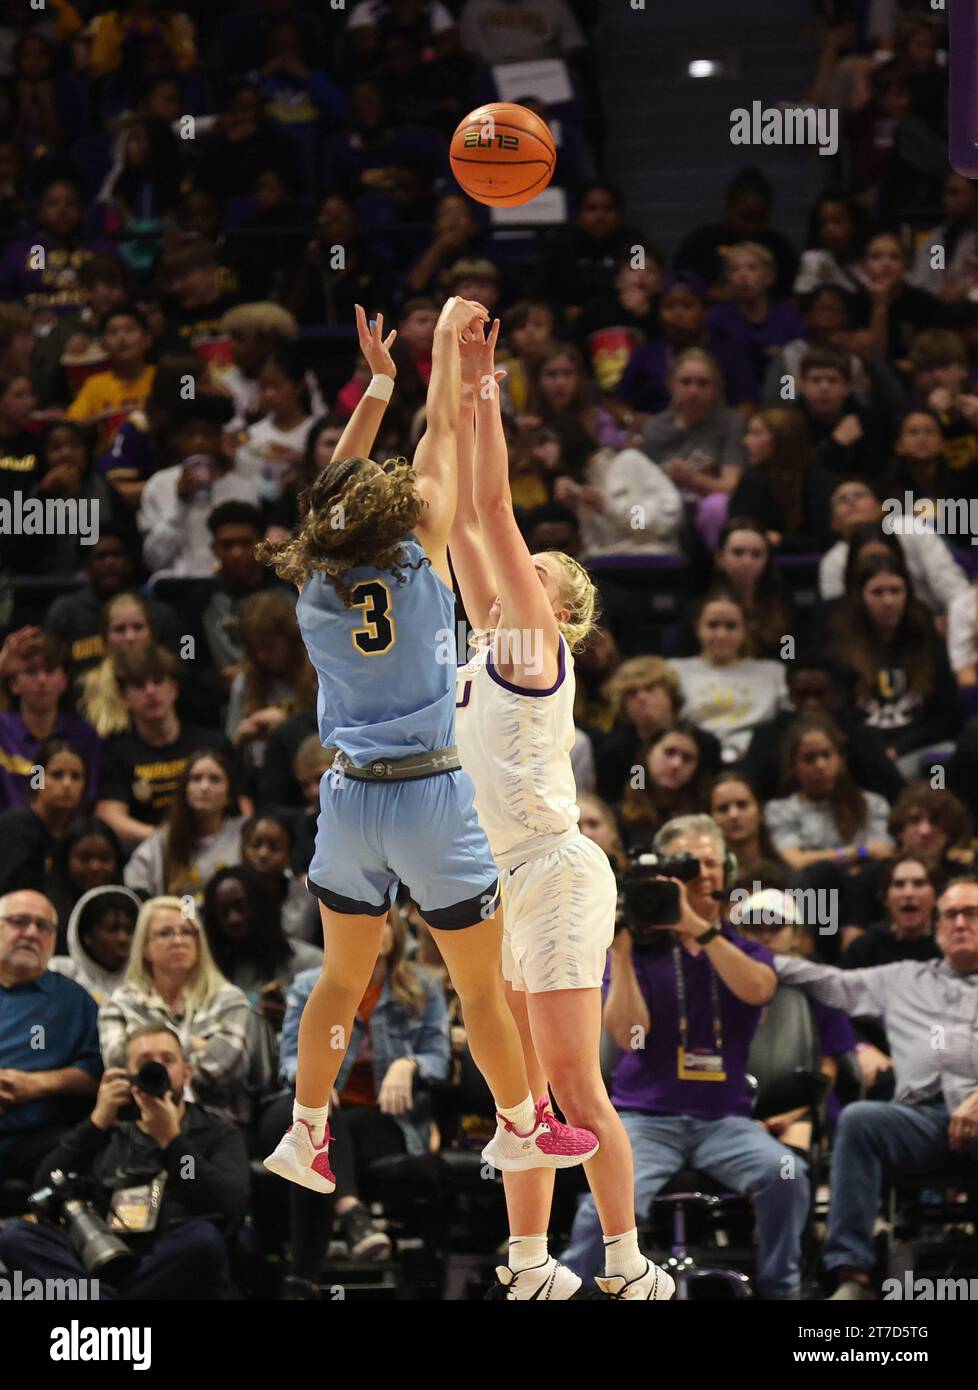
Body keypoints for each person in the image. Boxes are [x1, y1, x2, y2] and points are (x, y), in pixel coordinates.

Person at [259, 300, 599, 1193]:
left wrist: (378, 386)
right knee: (481, 989)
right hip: (428, 797)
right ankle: (523, 1125)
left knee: (339, 981)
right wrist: (449, 348)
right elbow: (444, 443)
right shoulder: (419, 555)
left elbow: (336, 483)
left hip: (345, 795)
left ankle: (305, 1130)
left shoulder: (312, 579)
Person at [450, 316, 675, 1300]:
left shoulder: (538, 647)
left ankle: (627, 1264)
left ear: (561, 606)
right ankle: (533, 1266)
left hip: (558, 870)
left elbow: (494, 505)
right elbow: (461, 514)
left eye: (536, 569)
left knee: (576, 1085)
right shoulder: (482, 648)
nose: (513, 570)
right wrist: (447, 400)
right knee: (522, 1097)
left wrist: (482, 382)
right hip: (504, 878)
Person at [561, 815, 811, 1300]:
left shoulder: (742, 948)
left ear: (727, 871)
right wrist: (625, 955)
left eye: (710, 863)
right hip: (644, 1118)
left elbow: (760, 990)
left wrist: (695, 924)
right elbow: (628, 1035)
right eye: (688, 866)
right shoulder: (642, 950)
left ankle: (784, 1291)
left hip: (725, 1121)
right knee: (601, 1207)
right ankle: (572, 1291)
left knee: (788, 1176)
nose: (702, 875)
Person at [775, 876, 978, 1300]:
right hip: (920, 1120)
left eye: (971, 913)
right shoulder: (903, 979)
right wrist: (734, 951)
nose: (960, 923)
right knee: (861, 1119)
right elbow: (826, 980)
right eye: (951, 915)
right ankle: (852, 1275)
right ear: (937, 928)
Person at [266, 905, 450, 1293]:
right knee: (315, 1121)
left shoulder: (422, 986)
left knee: (317, 1140)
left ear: (396, 932)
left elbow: (439, 1057)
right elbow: (287, 1060)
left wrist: (409, 1063)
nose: (374, 930)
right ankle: (352, 1212)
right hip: (304, 1110)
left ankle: (302, 1278)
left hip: (379, 1120)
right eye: (361, 922)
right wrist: (312, 1080)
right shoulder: (308, 985)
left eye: (383, 922)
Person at [0, 1025, 249, 1301]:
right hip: (98, 1259)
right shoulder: (107, 1128)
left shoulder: (217, 1132)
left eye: (167, 1060)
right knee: (15, 1236)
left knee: (204, 1241)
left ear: (186, 1073)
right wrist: (96, 1122)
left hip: (167, 1259)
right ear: (129, 1075)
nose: (157, 1069)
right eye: (144, 1063)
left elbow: (230, 1209)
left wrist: (172, 1141)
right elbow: (43, 1187)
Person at [99, 895, 253, 1127]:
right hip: (142, 1124)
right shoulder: (120, 1003)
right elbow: (119, 1062)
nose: (178, 940)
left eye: (188, 932)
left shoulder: (229, 999)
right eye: (165, 933)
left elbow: (225, 1068)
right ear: (145, 948)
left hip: (218, 1125)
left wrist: (150, 1054)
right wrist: (196, 1044)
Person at [0, 889, 102, 1183]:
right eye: (19, 921)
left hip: (38, 1141)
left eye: (42, 926)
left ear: (54, 938)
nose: (31, 933)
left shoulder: (74, 1000)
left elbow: (98, 1074)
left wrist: (39, 1084)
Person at [827, 554, 960, 779]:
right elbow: (841, 717)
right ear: (860, 597)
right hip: (864, 750)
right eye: (878, 592)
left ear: (908, 595)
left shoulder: (930, 647)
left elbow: (948, 718)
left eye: (896, 591)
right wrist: (874, 751)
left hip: (917, 746)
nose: (888, 601)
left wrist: (900, 748)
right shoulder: (841, 653)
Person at [95, 644, 234, 851]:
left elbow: (241, 808)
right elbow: (110, 816)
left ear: (174, 688)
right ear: (123, 696)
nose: (150, 691)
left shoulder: (214, 744)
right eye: (139, 685)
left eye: (158, 681)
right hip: (150, 853)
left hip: (216, 847)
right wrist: (165, 839)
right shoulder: (115, 754)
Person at [639, 348, 745, 549]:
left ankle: (717, 565)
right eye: (686, 382)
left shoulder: (731, 423)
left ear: (715, 388)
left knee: (717, 506)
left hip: (707, 507)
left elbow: (731, 486)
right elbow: (642, 489)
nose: (694, 390)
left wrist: (692, 479)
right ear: (672, 385)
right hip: (664, 506)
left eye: (702, 383)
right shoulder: (654, 427)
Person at [669, 588, 789, 762]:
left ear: (745, 629)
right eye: (712, 625)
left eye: (731, 626)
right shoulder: (673, 671)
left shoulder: (774, 672)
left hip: (756, 760)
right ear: (697, 628)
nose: (721, 634)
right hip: (694, 759)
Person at [122, 748, 246, 902]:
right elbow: (134, 884)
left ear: (229, 795)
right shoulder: (163, 840)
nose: (204, 787)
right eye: (196, 779)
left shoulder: (245, 835)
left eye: (215, 779)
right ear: (184, 791)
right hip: (179, 921)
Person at [0, 628, 101, 812]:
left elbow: (89, 803)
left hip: (67, 836)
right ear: (14, 683)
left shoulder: (84, 735)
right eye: (31, 671)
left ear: (64, 680)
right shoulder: (2, 730)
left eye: (50, 670)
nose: (42, 680)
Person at [728, 409, 835, 554]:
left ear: (783, 438)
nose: (745, 441)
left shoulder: (817, 479)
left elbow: (827, 540)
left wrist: (782, 540)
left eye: (756, 433)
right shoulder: (752, 480)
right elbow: (739, 535)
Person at [0, 737, 87, 897]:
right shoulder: (13, 828)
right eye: (57, 775)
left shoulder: (83, 833)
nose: (67, 784)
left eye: (76, 776)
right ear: (37, 780)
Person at [49, 885, 140, 1005]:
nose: (122, 938)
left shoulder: (149, 980)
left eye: (129, 930)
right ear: (87, 936)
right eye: (111, 929)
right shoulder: (59, 973)